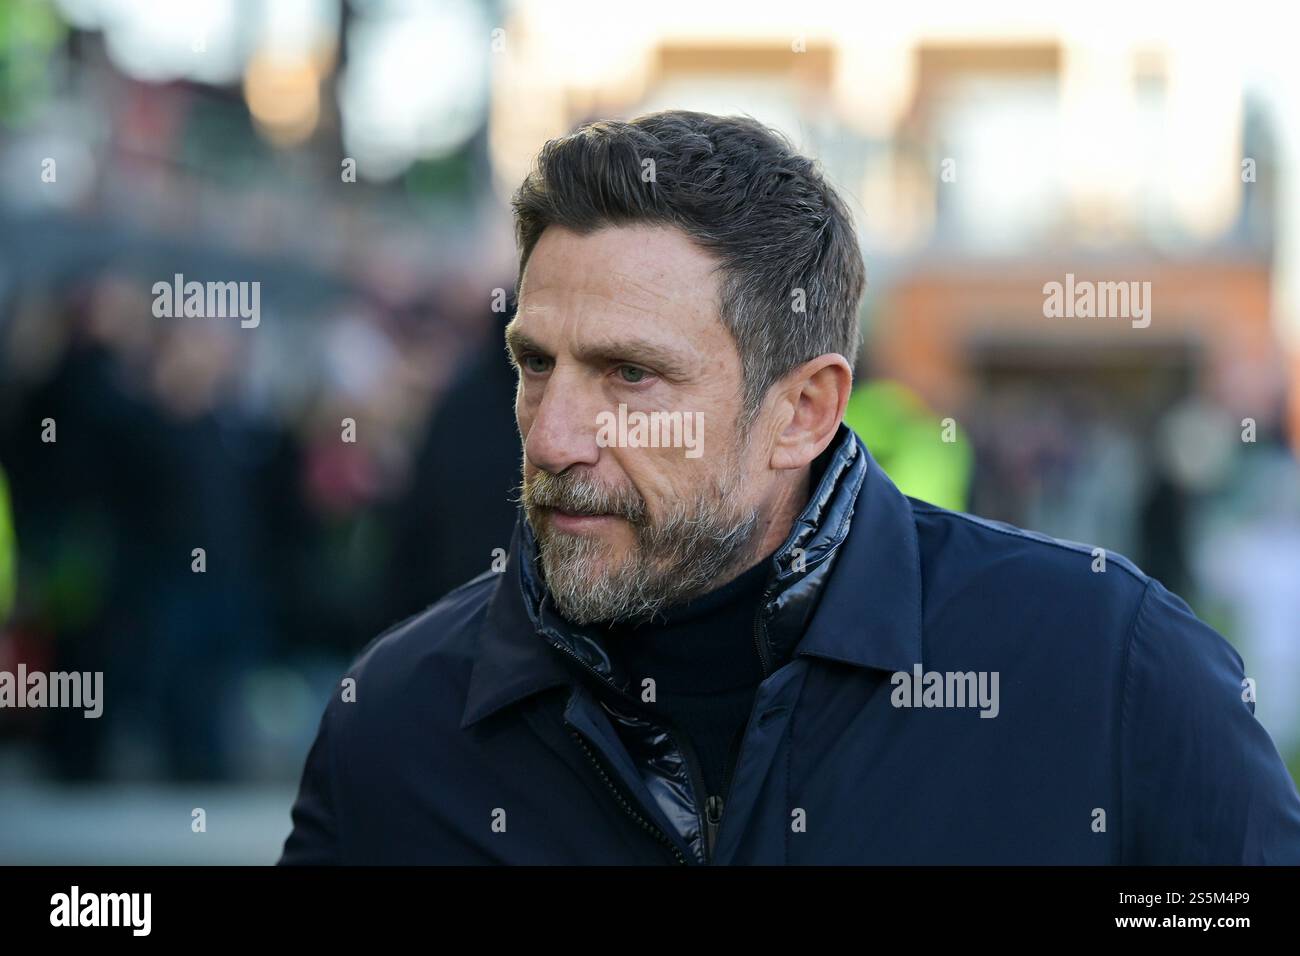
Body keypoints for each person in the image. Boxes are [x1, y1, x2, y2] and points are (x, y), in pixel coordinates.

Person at [279, 110, 1300, 864]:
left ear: (804, 410)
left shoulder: (1108, 671)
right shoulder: (400, 720)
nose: (553, 435)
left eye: (631, 375)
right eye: (536, 363)